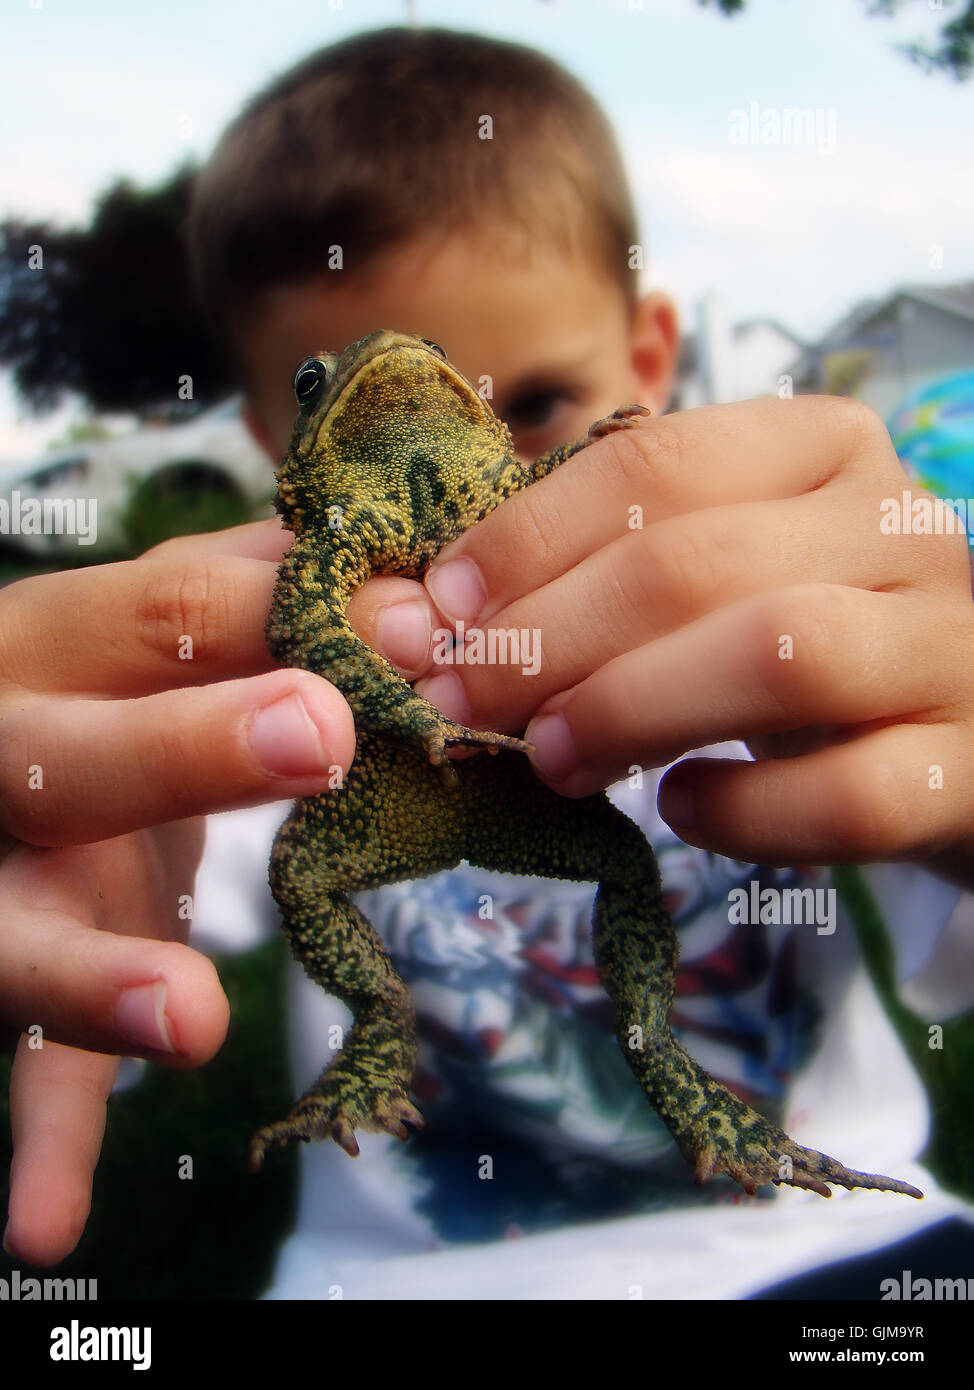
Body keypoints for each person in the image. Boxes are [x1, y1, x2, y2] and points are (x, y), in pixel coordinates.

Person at [2, 27, 973, 1295]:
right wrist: (60, 801)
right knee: (301, 861)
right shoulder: (246, 677)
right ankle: (377, 1040)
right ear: (276, 437)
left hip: (843, 1273)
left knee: (625, 863)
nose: (402, 372)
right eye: (321, 374)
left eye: (531, 402)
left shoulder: (725, 606)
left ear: (640, 381)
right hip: (395, 1265)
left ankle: (692, 1093)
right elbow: (297, 626)